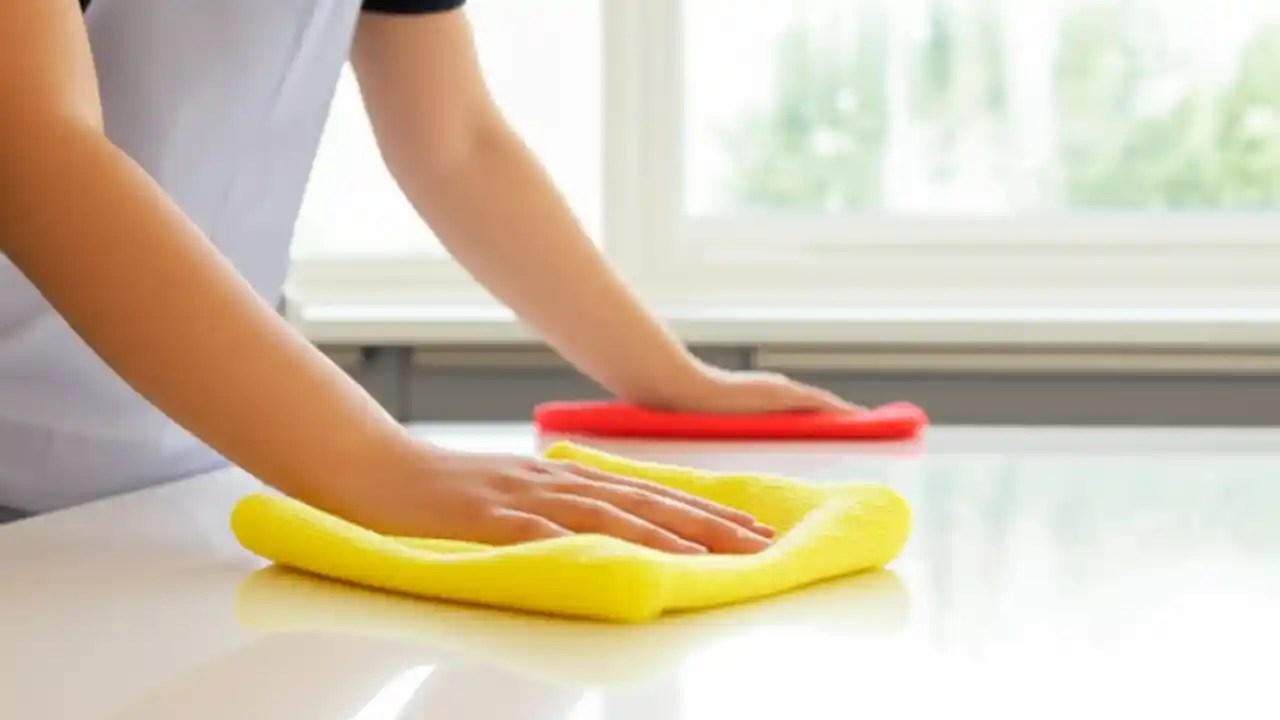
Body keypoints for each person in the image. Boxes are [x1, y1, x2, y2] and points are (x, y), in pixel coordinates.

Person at [0, 0, 855, 553]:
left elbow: (455, 143)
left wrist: (667, 377)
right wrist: (379, 463)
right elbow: (33, 151)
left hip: (191, 480)